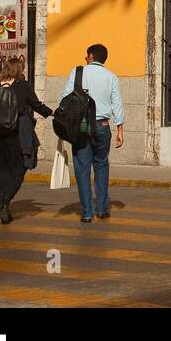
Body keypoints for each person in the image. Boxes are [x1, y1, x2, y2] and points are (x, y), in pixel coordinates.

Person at [0, 60, 51, 224]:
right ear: (19, 69)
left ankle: (5, 203)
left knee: (0, 170)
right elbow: (36, 104)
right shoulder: (23, 86)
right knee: (20, 167)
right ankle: (5, 199)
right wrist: (51, 113)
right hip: (16, 134)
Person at [61, 43, 124, 223]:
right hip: (103, 126)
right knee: (101, 166)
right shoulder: (111, 76)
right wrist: (120, 128)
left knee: (82, 169)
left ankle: (87, 212)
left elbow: (64, 98)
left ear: (90, 56)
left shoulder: (77, 72)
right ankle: (102, 209)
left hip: (81, 127)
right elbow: (116, 103)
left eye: (86, 55)